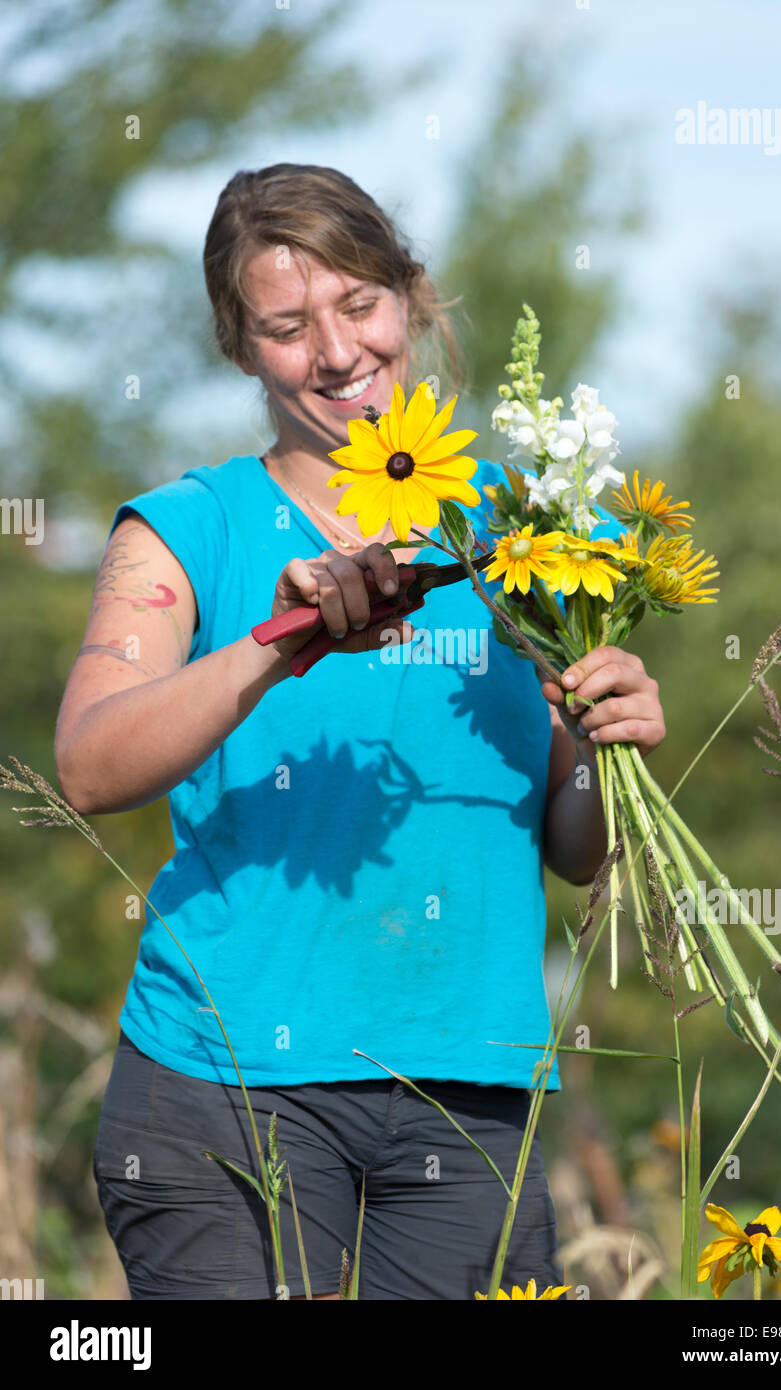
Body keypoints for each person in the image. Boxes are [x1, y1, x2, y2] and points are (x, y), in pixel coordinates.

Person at [54, 164, 666, 1301]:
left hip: (472, 1088)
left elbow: (578, 852)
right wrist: (280, 642)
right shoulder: (187, 530)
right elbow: (88, 766)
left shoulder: (529, 527)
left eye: (359, 306)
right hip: (224, 1091)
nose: (335, 354)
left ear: (411, 295)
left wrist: (603, 740)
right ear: (241, 347)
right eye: (286, 327)